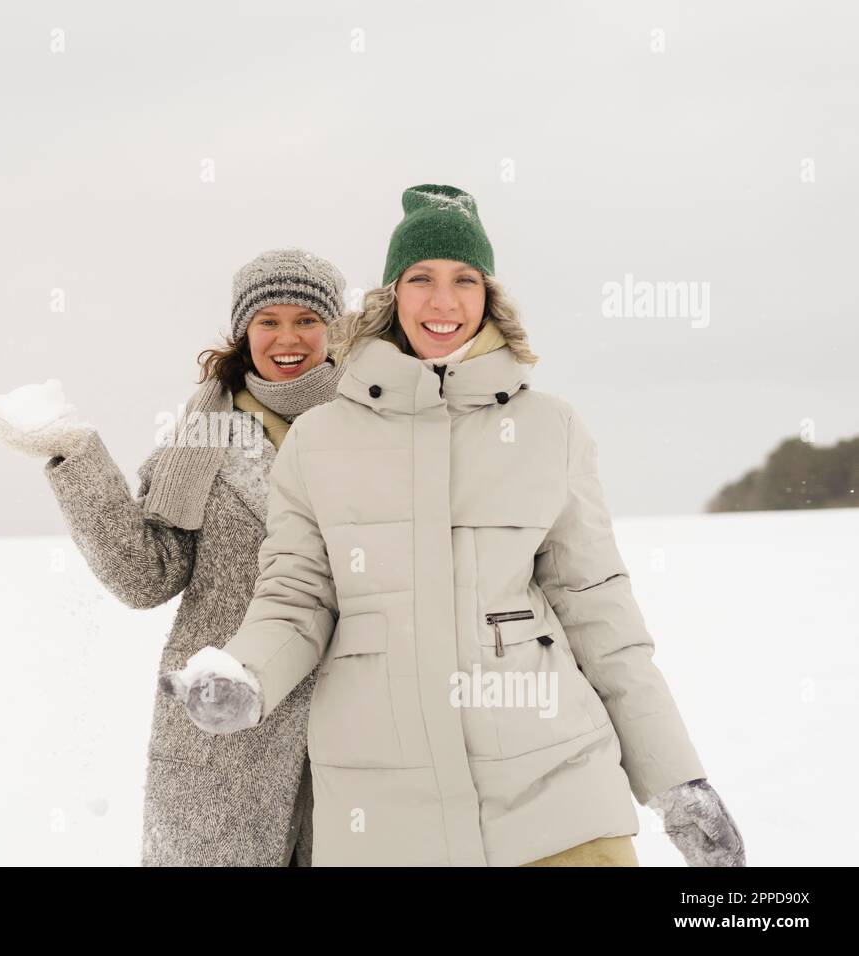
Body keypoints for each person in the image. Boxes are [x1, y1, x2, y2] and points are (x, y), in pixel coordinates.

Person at [160, 185, 746, 868]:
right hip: (385, 822)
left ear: (489, 296)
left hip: (560, 802)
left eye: (464, 279)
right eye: (422, 279)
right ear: (391, 296)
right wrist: (249, 674)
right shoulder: (321, 441)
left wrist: (677, 779)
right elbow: (295, 601)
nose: (444, 301)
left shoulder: (549, 428)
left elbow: (601, 613)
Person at [0, 249, 349, 865]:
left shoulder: (376, 428)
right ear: (243, 333)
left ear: (334, 330)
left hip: (352, 732)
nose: (287, 338)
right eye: (268, 321)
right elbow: (145, 574)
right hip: (221, 747)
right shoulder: (202, 438)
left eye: (306, 319)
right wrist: (73, 453)